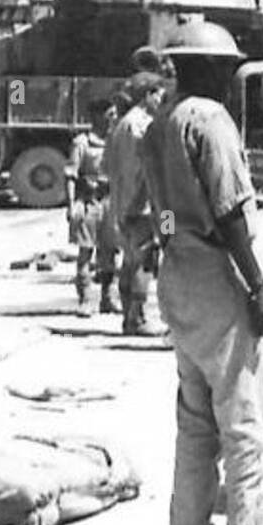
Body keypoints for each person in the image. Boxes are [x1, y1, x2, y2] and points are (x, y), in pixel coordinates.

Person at [142, 20, 263, 525]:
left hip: (178, 272)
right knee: (245, 424)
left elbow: (159, 211)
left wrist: (175, 237)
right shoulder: (209, 121)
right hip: (215, 276)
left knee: (195, 424)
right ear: (209, 68)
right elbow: (231, 210)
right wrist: (259, 288)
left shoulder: (157, 123)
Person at [104, 70, 168, 336]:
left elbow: (108, 165)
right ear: (149, 95)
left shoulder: (120, 124)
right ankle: (138, 318)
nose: (162, 100)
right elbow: (145, 170)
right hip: (140, 206)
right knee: (145, 260)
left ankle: (129, 319)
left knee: (129, 263)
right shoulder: (141, 125)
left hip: (121, 204)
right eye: (160, 95)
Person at [65, 96, 120, 317]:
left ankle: (108, 298)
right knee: (85, 252)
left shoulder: (116, 141)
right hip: (89, 201)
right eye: (110, 114)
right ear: (97, 116)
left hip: (111, 200)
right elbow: (70, 175)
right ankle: (85, 300)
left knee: (110, 252)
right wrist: (71, 205)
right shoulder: (82, 142)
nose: (113, 119)